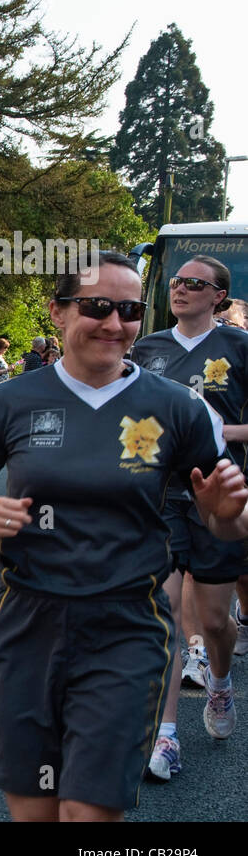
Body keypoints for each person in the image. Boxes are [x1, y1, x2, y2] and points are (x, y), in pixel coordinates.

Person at [0, 249, 248, 821]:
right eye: (97, 306)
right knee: (35, 810)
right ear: (58, 313)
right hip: (26, 623)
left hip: (127, 625)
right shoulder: (11, 401)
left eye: (129, 311)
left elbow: (227, 522)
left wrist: (226, 511)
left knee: (88, 813)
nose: (114, 323)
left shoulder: (178, 408)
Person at [131, 254, 248, 778]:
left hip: (222, 494)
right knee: (165, 609)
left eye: (194, 284)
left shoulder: (240, 348)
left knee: (217, 621)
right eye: (177, 281)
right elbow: (133, 419)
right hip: (165, 494)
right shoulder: (148, 348)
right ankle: (167, 734)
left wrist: (219, 433)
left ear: (217, 297)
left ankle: (220, 685)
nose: (180, 289)